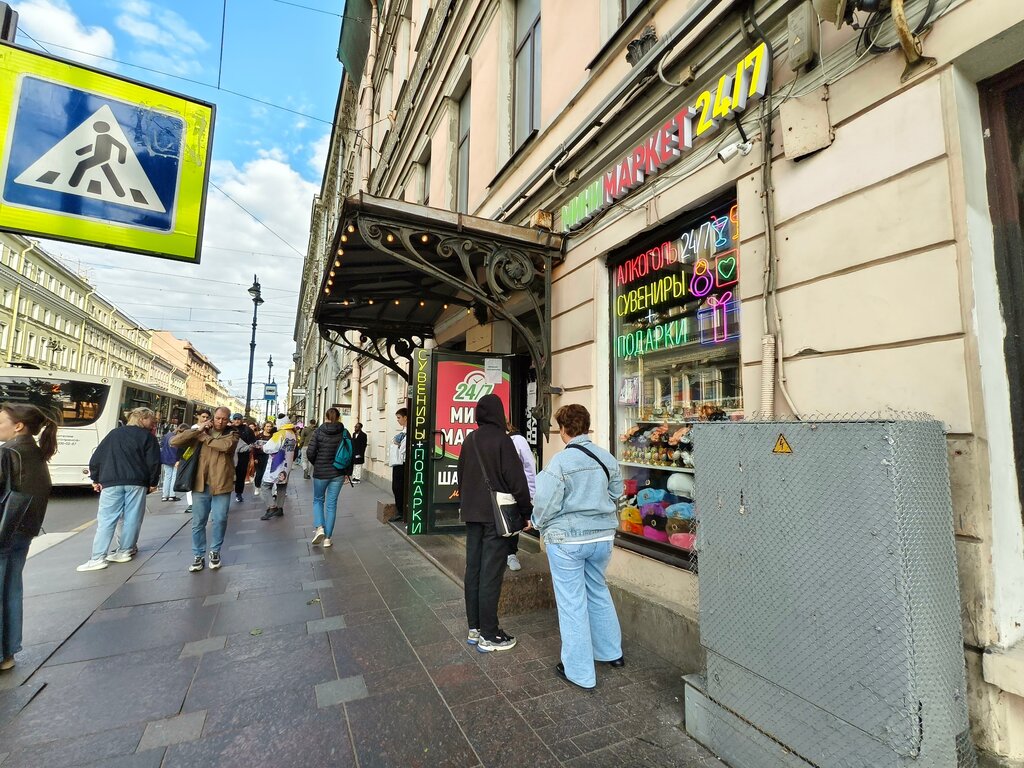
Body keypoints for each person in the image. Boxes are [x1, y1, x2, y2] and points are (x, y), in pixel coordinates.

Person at [532, 404, 626, 690]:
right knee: (597, 589)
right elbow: (618, 493)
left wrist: (536, 523)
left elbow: (545, 503)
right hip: (602, 539)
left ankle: (580, 672)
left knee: (572, 603)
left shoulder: (560, 462)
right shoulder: (606, 457)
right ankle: (612, 652)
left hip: (568, 540)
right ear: (585, 426)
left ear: (563, 430)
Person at [457, 394, 532, 653]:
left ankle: (474, 627)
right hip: (496, 517)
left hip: (472, 515)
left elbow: (461, 476)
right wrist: (526, 511)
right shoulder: (503, 440)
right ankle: (490, 634)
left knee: (473, 570)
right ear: (499, 413)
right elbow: (516, 480)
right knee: (491, 573)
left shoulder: (470, 440)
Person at [0, 403, 57, 672]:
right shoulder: (34, 452)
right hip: (22, 530)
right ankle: (7, 652)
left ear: (18, 425)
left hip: (4, 532)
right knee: (11, 589)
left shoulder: (8, 451)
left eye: (1, 420)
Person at [77, 407, 161, 571]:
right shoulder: (147, 437)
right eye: (152, 420)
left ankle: (97, 557)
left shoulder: (114, 434)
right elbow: (154, 462)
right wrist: (152, 482)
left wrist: (95, 478)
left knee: (107, 520)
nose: (154, 423)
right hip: (137, 482)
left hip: (111, 481)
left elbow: (97, 457)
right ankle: (125, 550)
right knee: (132, 518)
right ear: (142, 419)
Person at [171, 407, 239, 572]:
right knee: (198, 521)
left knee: (220, 519)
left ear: (228, 419)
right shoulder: (201, 431)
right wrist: (198, 431)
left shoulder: (233, 434)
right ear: (212, 418)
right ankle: (198, 554)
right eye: (217, 418)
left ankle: (215, 551)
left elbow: (225, 446)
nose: (220, 421)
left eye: (224, 418)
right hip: (200, 484)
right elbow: (174, 441)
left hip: (222, 484)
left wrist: (205, 438)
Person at [305, 408, 350, 547]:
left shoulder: (318, 431)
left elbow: (310, 452)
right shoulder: (345, 432)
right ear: (339, 417)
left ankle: (319, 528)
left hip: (321, 473)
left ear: (326, 417)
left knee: (318, 500)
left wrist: (317, 463)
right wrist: (347, 472)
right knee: (332, 504)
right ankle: (328, 539)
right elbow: (349, 453)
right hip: (338, 473)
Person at [506, 420, 537, 572]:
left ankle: (511, 553)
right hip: (495, 489)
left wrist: (530, 493)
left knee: (512, 520)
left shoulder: (518, 440)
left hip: (514, 490)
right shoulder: (488, 438)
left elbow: (529, 466)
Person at [260, 417, 297, 520]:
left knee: (265, 486)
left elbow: (270, 447)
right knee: (281, 486)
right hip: (287, 465)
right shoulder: (293, 434)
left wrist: (263, 447)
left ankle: (272, 507)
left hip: (276, 464)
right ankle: (280, 508)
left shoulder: (279, 434)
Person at [387, 408, 408, 523]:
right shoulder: (403, 431)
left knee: (398, 487)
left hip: (402, 462)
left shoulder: (407, 432)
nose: (398, 420)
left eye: (399, 418)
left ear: (405, 417)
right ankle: (400, 510)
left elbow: (402, 448)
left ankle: (401, 512)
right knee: (396, 487)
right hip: (398, 462)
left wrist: (397, 444)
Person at [230, 413, 256, 503]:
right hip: (230, 455)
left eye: (239, 419)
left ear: (242, 420)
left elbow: (253, 442)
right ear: (232, 420)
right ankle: (227, 492)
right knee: (228, 474)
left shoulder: (247, 429)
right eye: (235, 419)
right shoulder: (229, 429)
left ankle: (239, 493)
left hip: (243, 456)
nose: (237, 420)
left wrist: (248, 448)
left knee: (241, 475)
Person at [252, 422, 275, 497]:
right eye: (267, 426)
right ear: (264, 427)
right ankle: (257, 487)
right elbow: (254, 448)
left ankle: (269, 489)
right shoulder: (259, 436)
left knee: (269, 473)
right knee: (259, 473)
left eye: (270, 426)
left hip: (270, 457)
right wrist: (255, 458)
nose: (269, 428)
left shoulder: (273, 437)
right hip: (260, 457)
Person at [158, 426, 180, 502]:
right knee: (174, 476)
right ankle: (172, 495)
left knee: (167, 477)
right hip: (175, 459)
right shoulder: (177, 437)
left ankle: (165, 495)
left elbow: (162, 445)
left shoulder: (167, 435)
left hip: (166, 458)